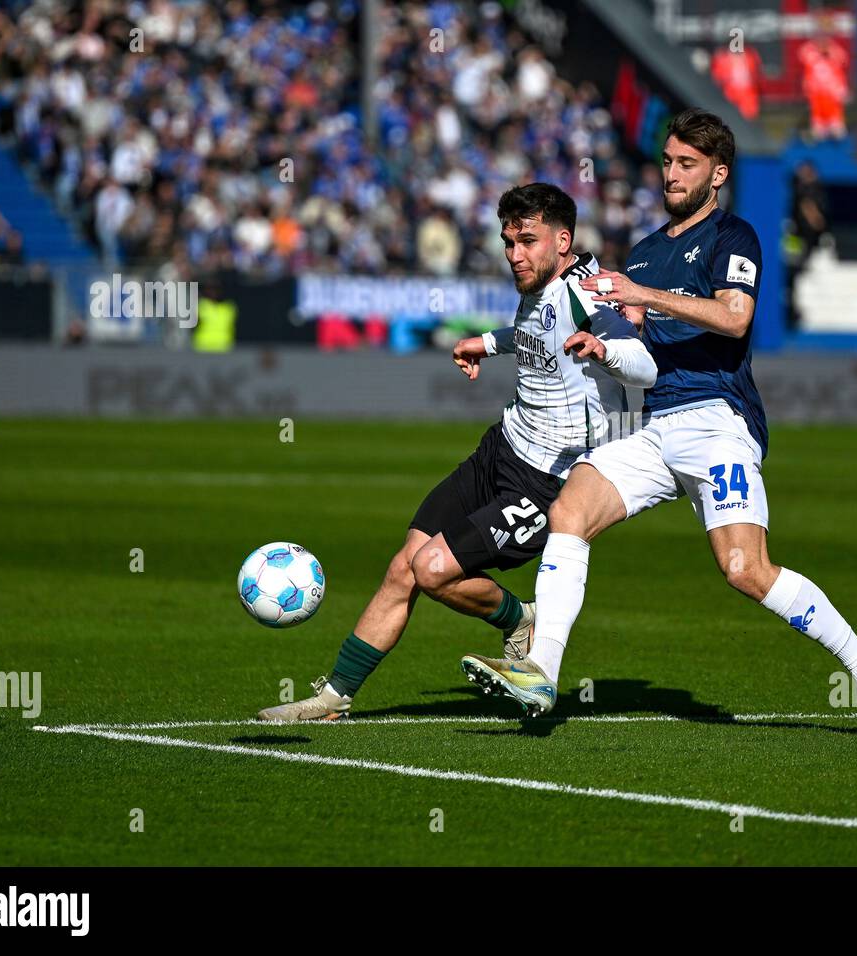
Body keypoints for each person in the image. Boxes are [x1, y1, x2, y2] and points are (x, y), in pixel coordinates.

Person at [459, 110, 857, 739]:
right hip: (653, 424)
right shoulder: (644, 252)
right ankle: (541, 671)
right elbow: (639, 351)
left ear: (717, 174)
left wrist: (645, 298)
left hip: (718, 421)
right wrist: (602, 345)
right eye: (668, 161)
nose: (671, 174)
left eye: (686, 164)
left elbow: (733, 319)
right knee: (570, 511)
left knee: (744, 571)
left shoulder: (734, 237)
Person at [259, 183, 656, 721]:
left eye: (527, 242)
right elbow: (534, 332)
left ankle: (519, 620)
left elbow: (645, 366)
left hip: (547, 482)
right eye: (508, 242)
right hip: (501, 448)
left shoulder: (593, 291)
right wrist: (486, 344)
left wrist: (606, 349)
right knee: (404, 566)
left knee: (432, 569)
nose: (515, 255)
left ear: (563, 241)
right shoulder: (541, 280)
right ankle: (334, 696)